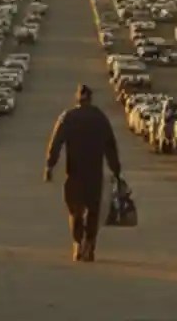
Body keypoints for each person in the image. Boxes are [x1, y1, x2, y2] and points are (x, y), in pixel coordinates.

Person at [44, 84, 122, 262]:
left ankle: (78, 243)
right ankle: (89, 244)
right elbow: (110, 145)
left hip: (74, 173)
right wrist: (116, 169)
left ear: (77, 98)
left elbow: (56, 143)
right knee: (93, 211)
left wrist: (49, 165)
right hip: (94, 173)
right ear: (91, 98)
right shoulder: (100, 118)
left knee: (75, 212)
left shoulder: (68, 117)